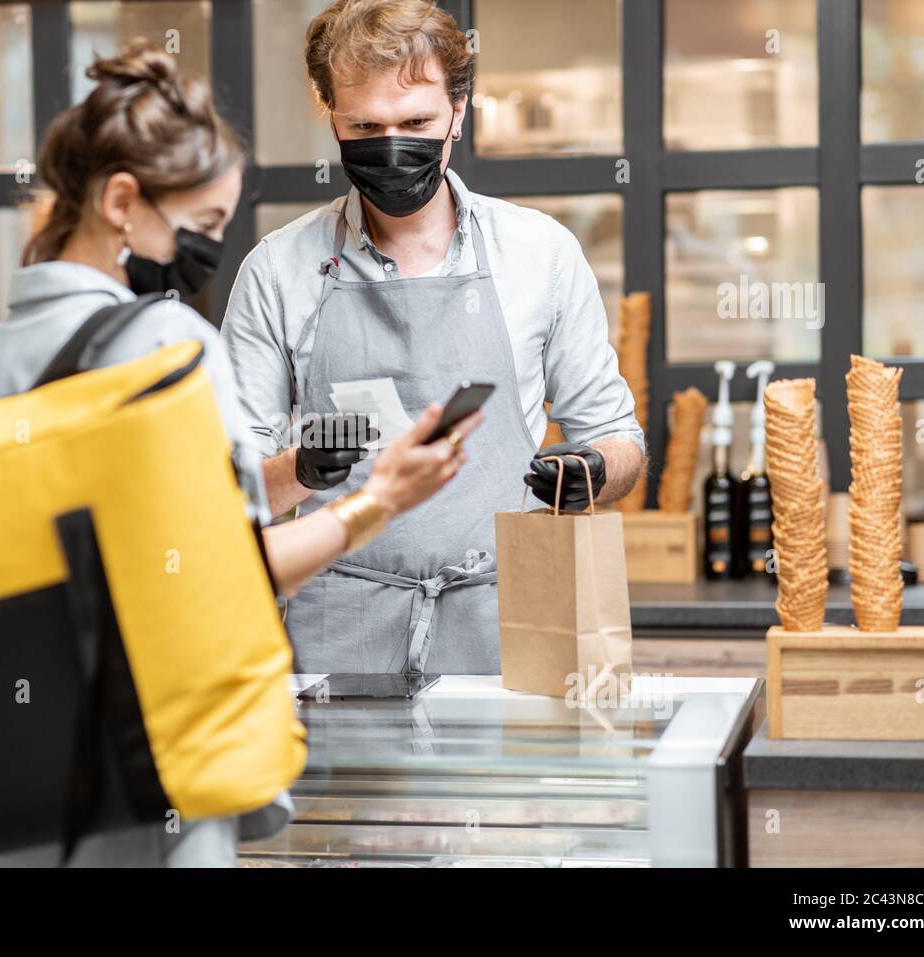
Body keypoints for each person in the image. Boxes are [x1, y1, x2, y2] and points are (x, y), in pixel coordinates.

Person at [0, 43, 480, 865]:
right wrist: (382, 499)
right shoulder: (165, 343)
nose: (207, 254)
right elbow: (234, 573)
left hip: (15, 772)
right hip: (155, 769)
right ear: (122, 201)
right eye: (201, 228)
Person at [220, 0, 646, 677]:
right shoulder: (277, 271)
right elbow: (228, 498)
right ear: (329, 113)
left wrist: (590, 472)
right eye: (365, 126)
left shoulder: (541, 253)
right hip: (336, 634)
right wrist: (300, 468)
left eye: (416, 122)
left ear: (458, 109)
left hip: (510, 620)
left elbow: (621, 441)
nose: (393, 145)